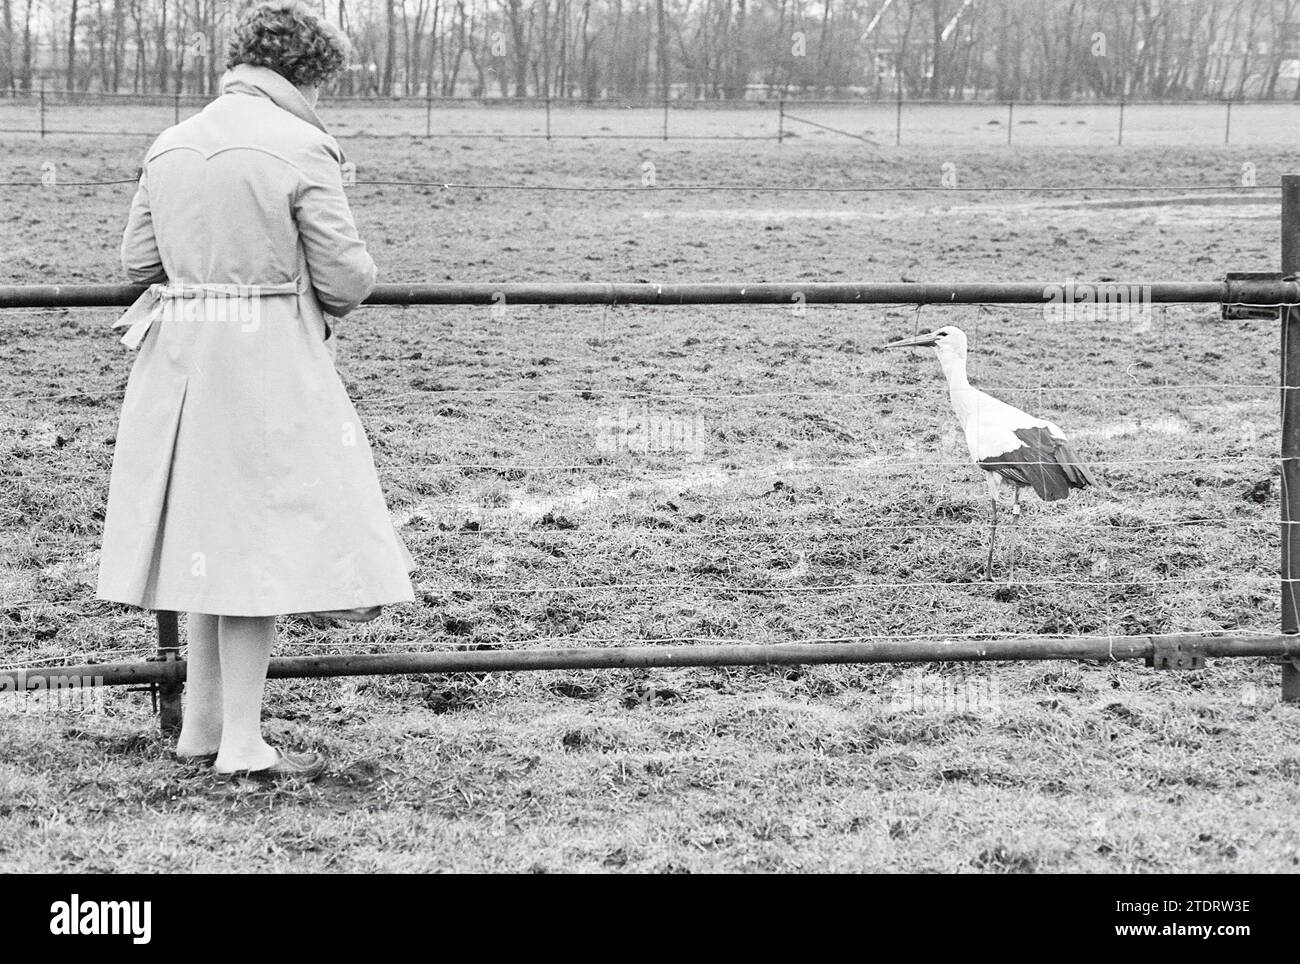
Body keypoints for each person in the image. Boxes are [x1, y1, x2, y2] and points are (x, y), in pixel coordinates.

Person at [97, 1, 415, 781]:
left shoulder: (171, 141)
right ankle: (243, 744)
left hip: (180, 360)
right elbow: (346, 275)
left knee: (209, 535)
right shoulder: (302, 144)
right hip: (264, 360)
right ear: (309, 71)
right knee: (255, 545)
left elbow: (139, 260)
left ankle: (200, 727)